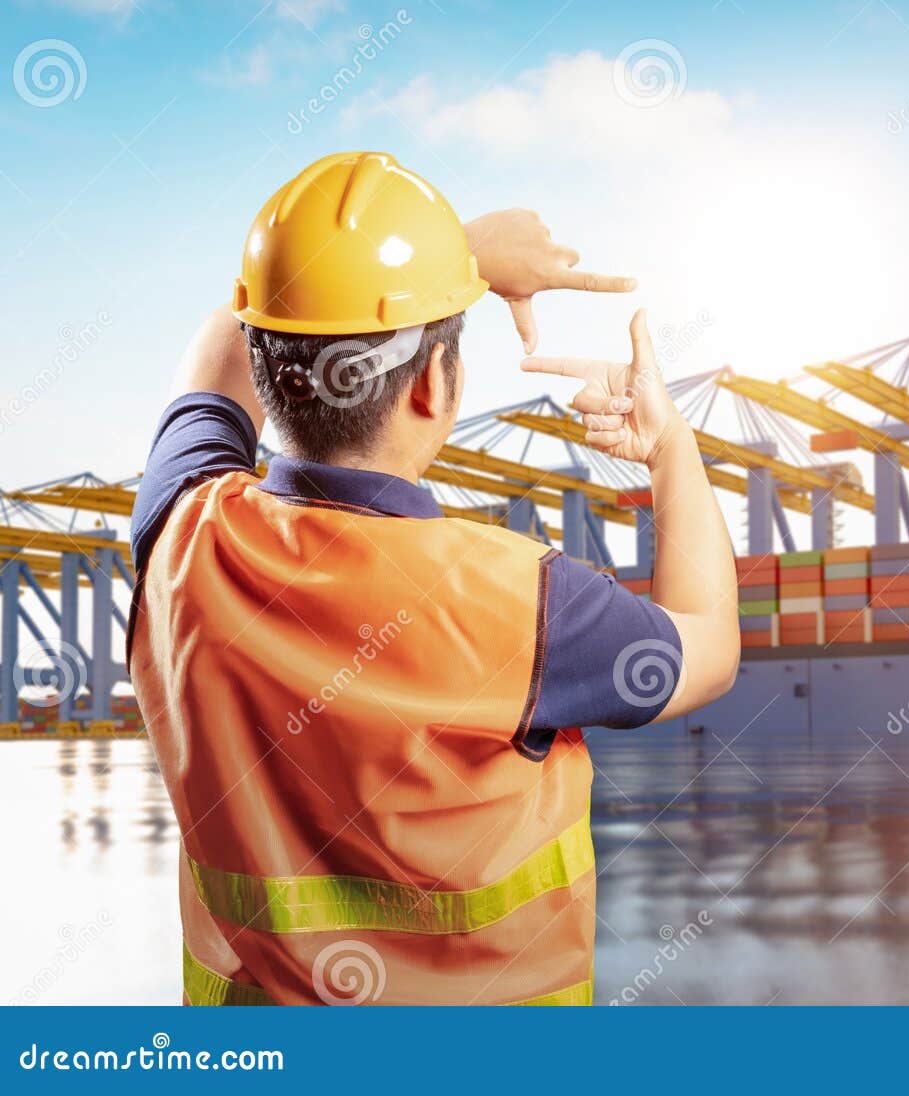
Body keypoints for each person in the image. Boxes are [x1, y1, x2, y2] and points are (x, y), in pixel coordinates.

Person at [127, 151, 739, 1006]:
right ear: (432, 389)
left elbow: (220, 346)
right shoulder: (529, 601)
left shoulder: (182, 537)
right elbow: (709, 642)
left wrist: (444, 256)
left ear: (270, 369)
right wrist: (669, 447)